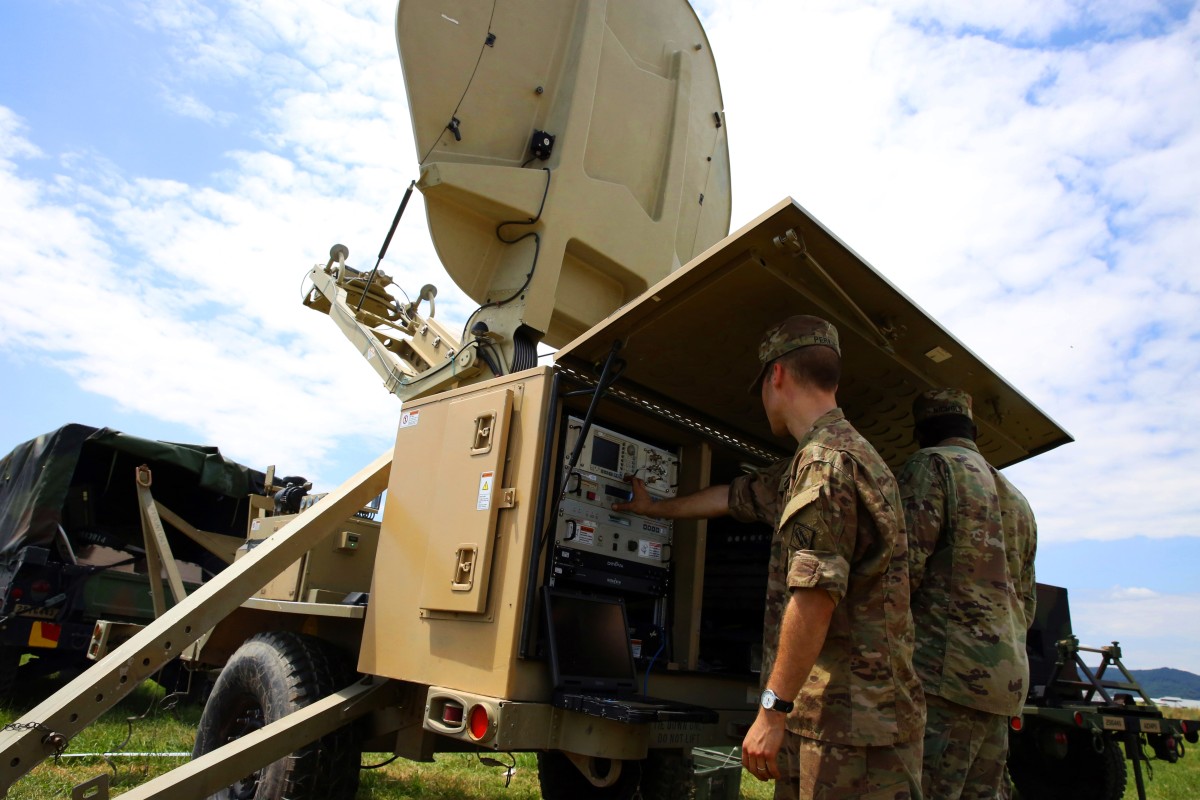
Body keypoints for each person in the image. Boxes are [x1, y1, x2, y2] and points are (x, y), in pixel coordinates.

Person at [614, 315, 924, 800]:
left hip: (848, 726)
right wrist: (654, 508)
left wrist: (771, 711)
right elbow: (734, 497)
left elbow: (816, 596)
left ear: (775, 376)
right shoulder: (831, 457)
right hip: (859, 719)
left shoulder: (825, 466)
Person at [896, 389, 1038, 800]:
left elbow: (900, 574)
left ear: (922, 431)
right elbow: (1026, 604)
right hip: (1003, 684)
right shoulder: (1018, 499)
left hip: (943, 681)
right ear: (971, 428)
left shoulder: (931, 466)